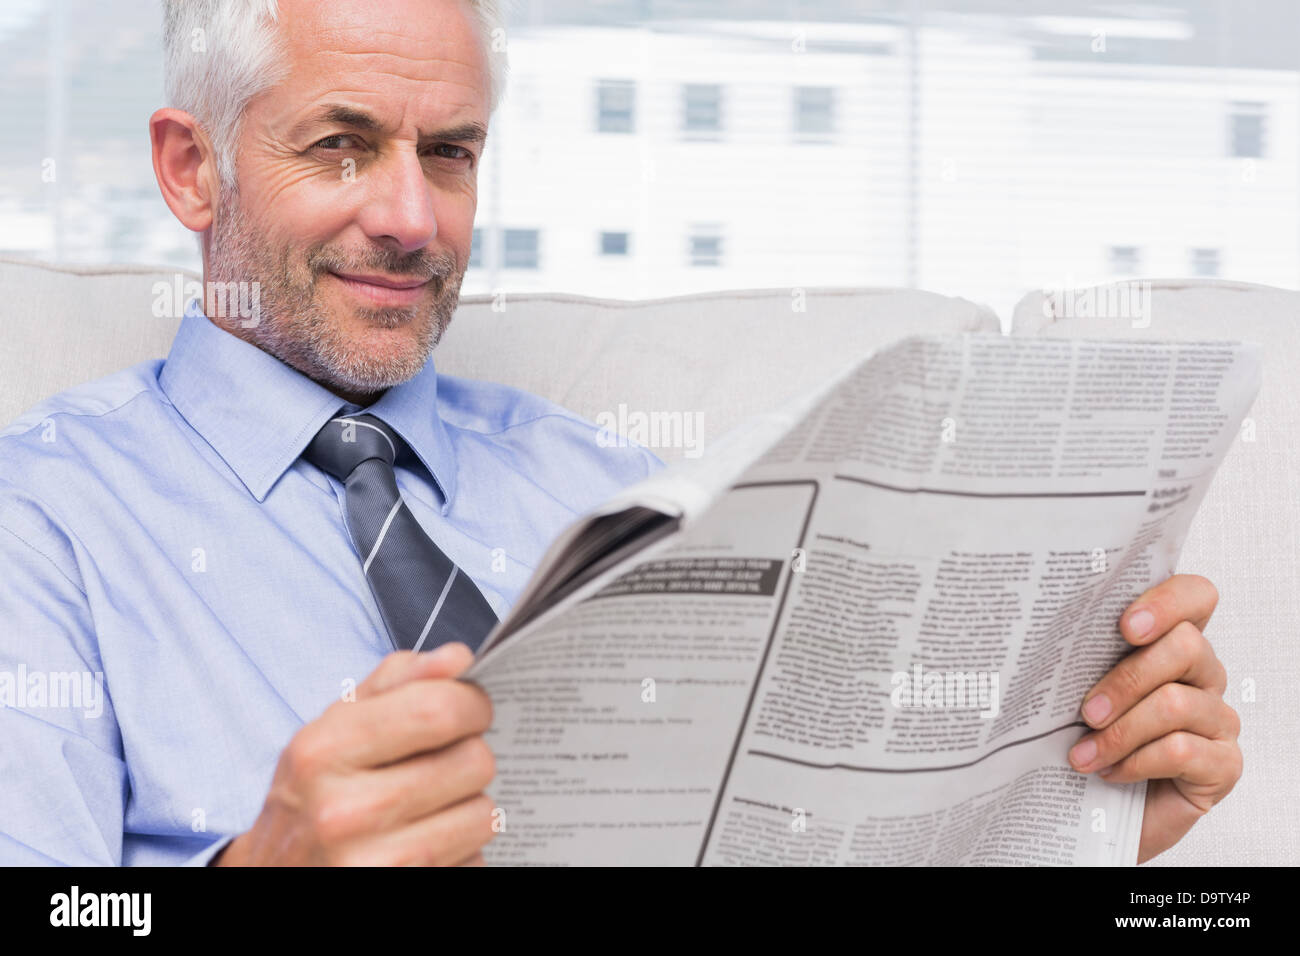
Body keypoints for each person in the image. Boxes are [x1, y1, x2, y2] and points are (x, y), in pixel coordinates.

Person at [0, 0, 1240, 866]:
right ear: (190, 168)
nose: (411, 217)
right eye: (340, 145)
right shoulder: (43, 517)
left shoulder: (622, 488)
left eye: (450, 154)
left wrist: (1087, 812)